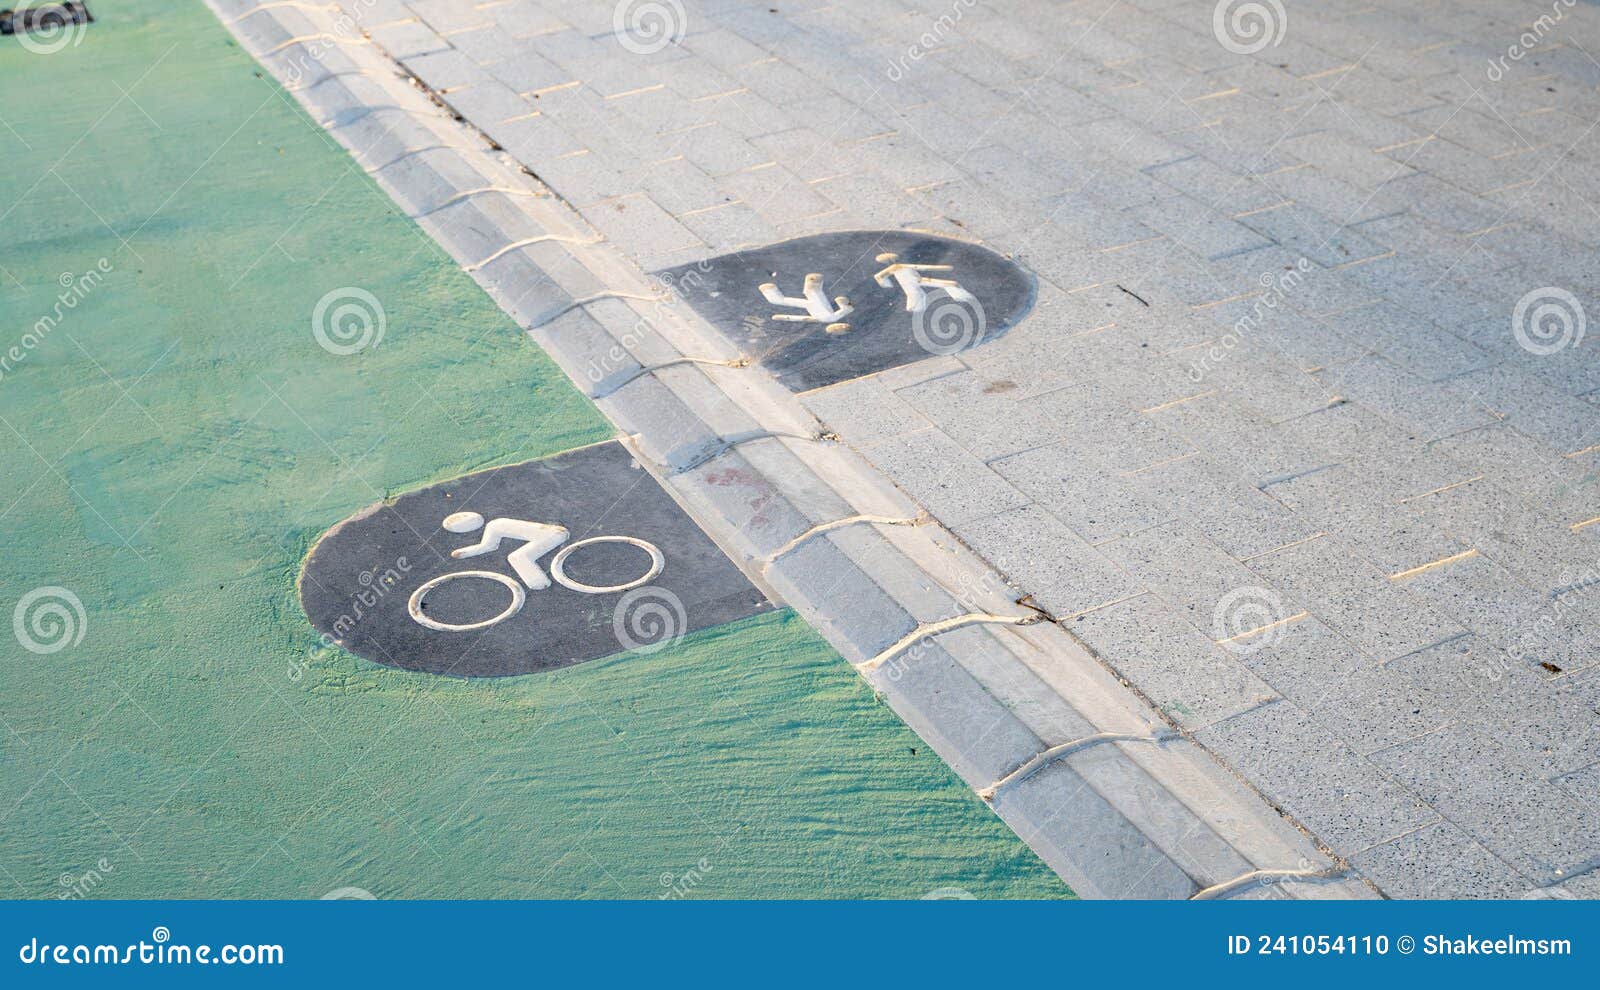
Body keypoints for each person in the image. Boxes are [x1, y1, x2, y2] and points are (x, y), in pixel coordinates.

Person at [440, 511, 569, 589]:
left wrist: (465, 552)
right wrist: (465, 552)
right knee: (517, 556)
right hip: (553, 533)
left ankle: (538, 582)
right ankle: (538, 582)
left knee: (517, 557)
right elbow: (487, 546)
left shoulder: (495, 525)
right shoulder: (495, 524)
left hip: (553, 535)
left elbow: (487, 546)